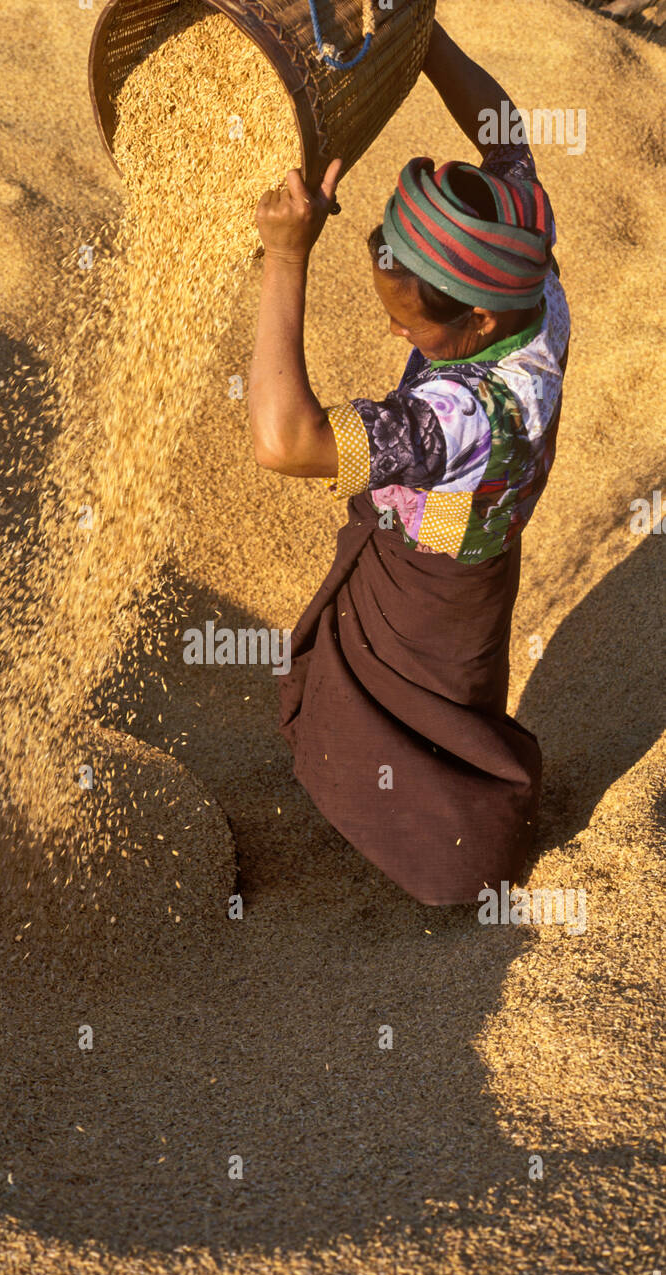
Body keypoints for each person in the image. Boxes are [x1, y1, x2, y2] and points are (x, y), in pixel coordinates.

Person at [248, 20, 570, 906]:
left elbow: (285, 441)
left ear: (471, 328)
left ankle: (457, 865)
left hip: (435, 585)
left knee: (428, 726)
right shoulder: (523, 259)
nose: (395, 330)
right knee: (401, 701)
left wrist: (284, 259)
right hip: (467, 549)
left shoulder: (454, 417)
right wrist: (418, 40)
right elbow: (500, 130)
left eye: (410, 323)